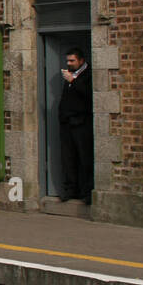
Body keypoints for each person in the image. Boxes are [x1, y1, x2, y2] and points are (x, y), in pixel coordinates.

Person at [58, 47, 93, 203]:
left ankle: (87, 192)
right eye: (68, 61)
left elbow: (89, 94)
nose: (69, 64)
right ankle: (70, 190)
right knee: (68, 158)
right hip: (68, 123)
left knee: (84, 158)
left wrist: (73, 81)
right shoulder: (70, 75)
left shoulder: (87, 75)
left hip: (82, 123)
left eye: (72, 61)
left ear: (81, 61)